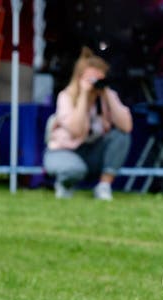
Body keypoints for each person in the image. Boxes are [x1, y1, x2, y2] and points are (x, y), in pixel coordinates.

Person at [44, 47, 132, 201]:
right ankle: (64, 185)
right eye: (91, 79)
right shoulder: (66, 97)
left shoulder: (105, 97)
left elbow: (126, 127)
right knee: (75, 169)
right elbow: (76, 130)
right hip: (64, 151)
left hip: (90, 153)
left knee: (121, 136)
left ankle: (103, 187)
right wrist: (84, 95)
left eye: (100, 78)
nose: (95, 84)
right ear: (79, 78)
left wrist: (107, 94)